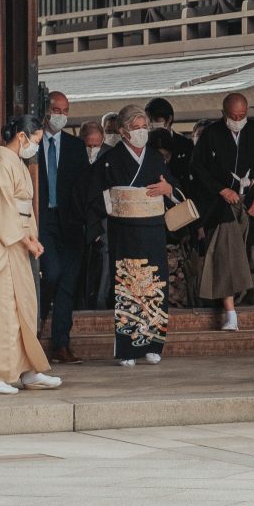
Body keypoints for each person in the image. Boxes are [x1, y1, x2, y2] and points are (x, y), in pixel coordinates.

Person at [91, 102, 183, 366]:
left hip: (153, 231)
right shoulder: (110, 160)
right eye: (136, 128)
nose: (141, 132)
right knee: (130, 288)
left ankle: (154, 344)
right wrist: (111, 202)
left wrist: (168, 190)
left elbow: (174, 188)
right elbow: (92, 194)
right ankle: (128, 348)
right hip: (125, 231)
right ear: (123, 131)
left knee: (154, 287)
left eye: (144, 127)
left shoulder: (154, 158)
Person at [0, 113, 61, 396]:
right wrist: (25, 239)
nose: (36, 146)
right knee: (3, 309)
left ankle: (28, 370)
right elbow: (0, 210)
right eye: (35, 140)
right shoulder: (0, 164)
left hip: (19, 239)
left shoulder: (19, 165)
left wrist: (32, 238)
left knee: (24, 305)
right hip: (4, 242)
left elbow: (25, 207)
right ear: (22, 136)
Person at [193, 91, 254, 332]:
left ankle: (243, 303)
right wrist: (220, 190)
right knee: (226, 253)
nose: (238, 120)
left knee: (251, 254)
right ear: (223, 114)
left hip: (250, 201)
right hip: (222, 205)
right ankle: (230, 312)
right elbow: (198, 169)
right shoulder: (211, 135)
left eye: (242, 115)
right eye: (233, 116)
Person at [36, 90, 88, 365]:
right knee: (51, 273)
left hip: (70, 222)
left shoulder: (75, 147)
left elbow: (84, 187)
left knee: (68, 282)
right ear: (46, 111)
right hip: (43, 219)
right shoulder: (33, 144)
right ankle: (36, 325)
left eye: (65, 111)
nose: (61, 116)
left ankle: (61, 344)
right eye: (57, 110)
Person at [146, 98, 202, 314]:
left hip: (177, 231)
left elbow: (187, 191)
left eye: (166, 156)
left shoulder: (185, 149)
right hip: (150, 231)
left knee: (177, 281)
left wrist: (170, 190)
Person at [78, 120, 111, 313]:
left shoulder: (110, 155)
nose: (92, 149)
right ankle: (80, 302)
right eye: (88, 145)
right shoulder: (75, 154)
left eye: (96, 145)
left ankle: (101, 300)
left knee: (105, 258)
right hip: (80, 214)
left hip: (104, 215)